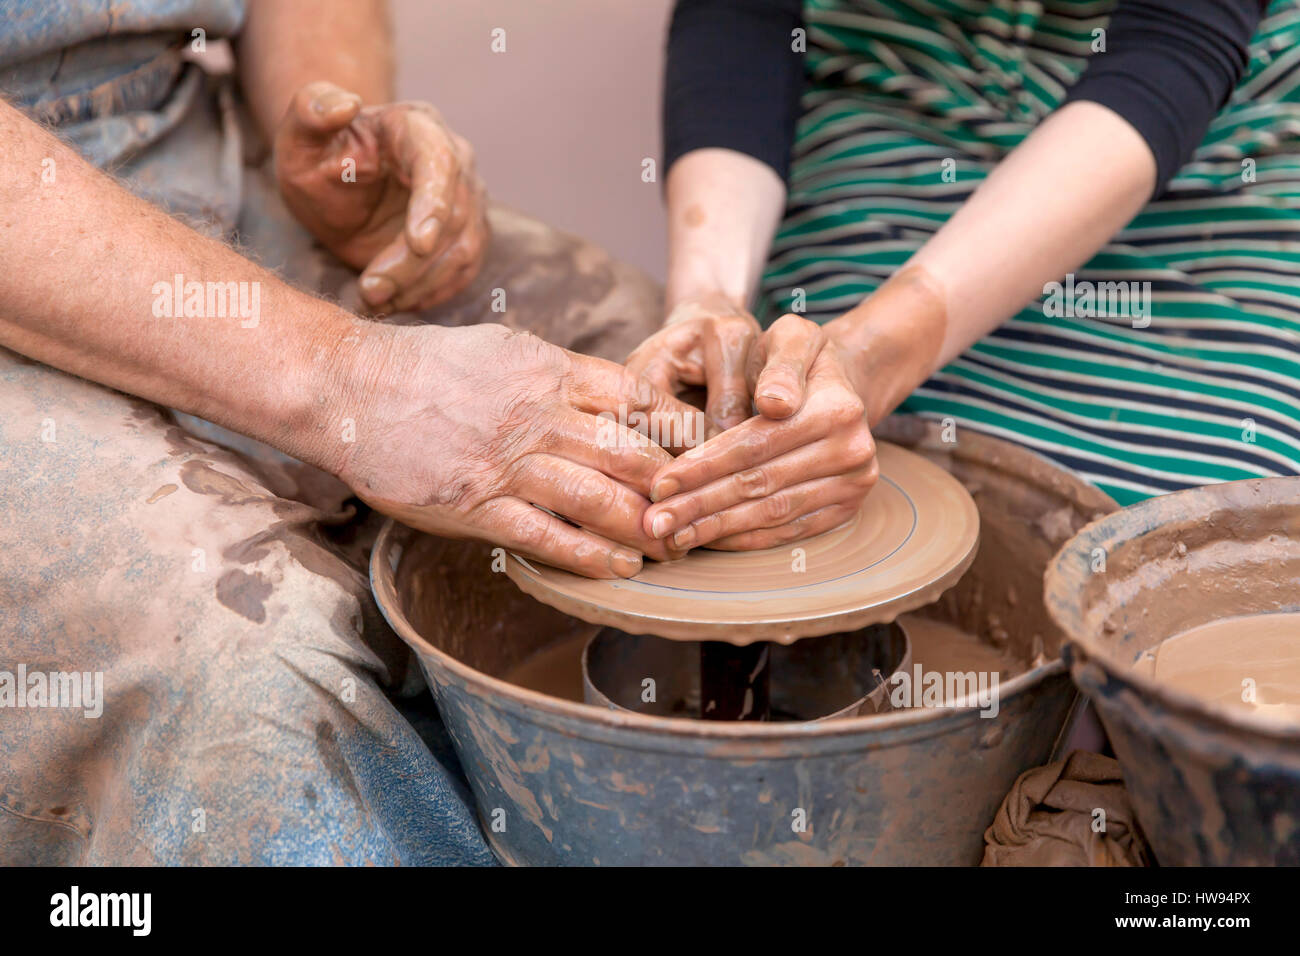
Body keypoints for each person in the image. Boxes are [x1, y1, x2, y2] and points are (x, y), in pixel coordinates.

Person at [0, 0, 705, 864]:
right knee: (254, 671)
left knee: (641, 381)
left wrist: (334, 124)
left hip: (181, 142)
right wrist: (352, 382)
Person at [630, 0, 1300, 558]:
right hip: (901, 74)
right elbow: (745, 14)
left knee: (1205, 541)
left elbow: (1175, 42)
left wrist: (872, 354)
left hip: (1202, 129)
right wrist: (707, 295)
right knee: (782, 443)